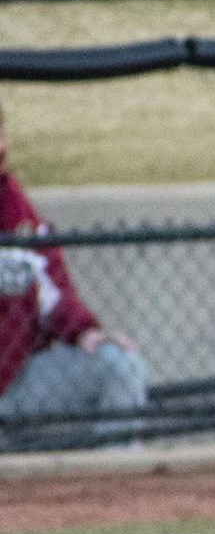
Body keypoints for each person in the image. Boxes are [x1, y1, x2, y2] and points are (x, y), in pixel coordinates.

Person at [0, 100, 148, 447]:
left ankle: (117, 478)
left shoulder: (14, 206)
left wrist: (82, 331)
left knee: (121, 367)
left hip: (17, 383)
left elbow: (51, 290)